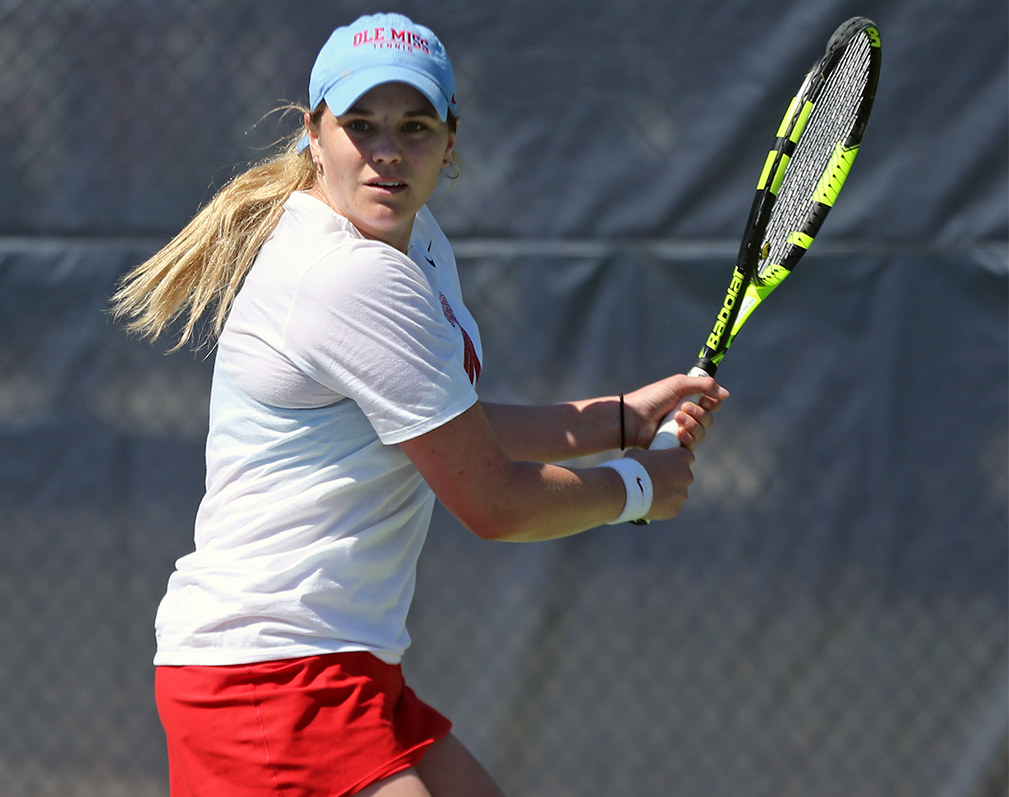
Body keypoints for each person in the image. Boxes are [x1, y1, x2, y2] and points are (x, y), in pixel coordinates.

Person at [112, 12, 728, 797]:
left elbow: (441, 427)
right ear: (314, 132)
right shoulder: (349, 275)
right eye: (360, 125)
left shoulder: (416, 239)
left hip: (343, 664)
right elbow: (493, 502)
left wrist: (615, 420)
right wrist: (641, 491)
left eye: (414, 127)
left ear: (451, 139)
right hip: (268, 677)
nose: (386, 153)